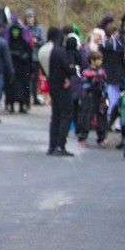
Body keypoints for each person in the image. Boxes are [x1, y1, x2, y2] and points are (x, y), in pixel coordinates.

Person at [46, 27, 74, 156]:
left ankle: (52, 146)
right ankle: (60, 145)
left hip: (53, 85)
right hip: (62, 86)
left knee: (56, 116)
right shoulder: (60, 51)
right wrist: (70, 73)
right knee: (65, 116)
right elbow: (67, 68)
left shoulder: (52, 51)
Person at [77, 51, 108, 145]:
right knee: (87, 116)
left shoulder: (102, 72)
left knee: (101, 116)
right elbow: (84, 86)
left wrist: (104, 94)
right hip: (89, 96)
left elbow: (105, 84)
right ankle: (83, 137)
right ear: (92, 60)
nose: (100, 62)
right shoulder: (87, 73)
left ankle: (101, 138)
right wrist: (93, 84)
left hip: (100, 97)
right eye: (98, 59)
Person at [4, 14, 32, 113]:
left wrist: (24, 56)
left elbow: (29, 53)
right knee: (11, 88)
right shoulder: (8, 43)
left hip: (22, 69)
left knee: (23, 87)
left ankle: (22, 105)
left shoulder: (24, 42)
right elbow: (5, 54)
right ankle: (10, 105)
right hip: (12, 69)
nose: (15, 33)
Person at [24, 8, 46, 106]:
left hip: (36, 57)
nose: (30, 19)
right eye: (28, 17)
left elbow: (44, 41)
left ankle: (35, 96)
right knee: (27, 77)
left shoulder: (39, 28)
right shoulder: (24, 28)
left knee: (35, 78)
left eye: (31, 17)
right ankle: (27, 97)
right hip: (27, 57)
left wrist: (36, 41)